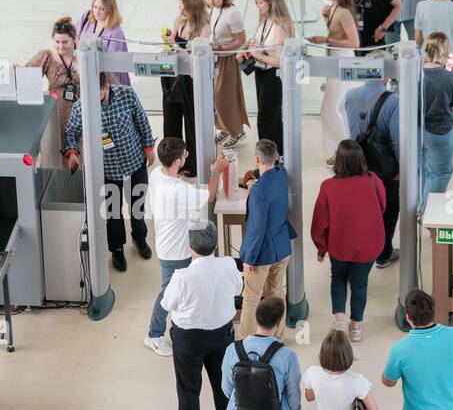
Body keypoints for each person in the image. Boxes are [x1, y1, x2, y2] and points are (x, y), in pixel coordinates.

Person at [162, 221, 243, 410]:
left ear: (190, 246)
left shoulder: (182, 276)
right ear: (216, 243)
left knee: (188, 390)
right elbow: (238, 289)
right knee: (224, 383)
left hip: (189, 339)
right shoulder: (228, 265)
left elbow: (167, 304)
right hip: (222, 334)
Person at [62, 70, 155, 272]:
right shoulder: (81, 107)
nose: (92, 101)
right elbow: (71, 131)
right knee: (113, 213)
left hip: (134, 162)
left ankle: (139, 238)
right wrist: (71, 153)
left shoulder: (127, 94)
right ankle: (117, 249)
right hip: (106, 169)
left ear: (106, 87)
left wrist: (149, 149)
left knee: (137, 207)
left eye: (97, 95)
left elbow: (142, 121)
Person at [146, 139, 229, 357]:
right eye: (185, 154)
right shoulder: (178, 191)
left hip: (167, 243)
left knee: (175, 290)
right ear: (176, 162)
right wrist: (216, 172)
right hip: (175, 252)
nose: (187, 156)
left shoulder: (157, 174)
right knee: (167, 294)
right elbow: (210, 195)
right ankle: (154, 335)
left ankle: (174, 329)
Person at [310, 141, 386, 343]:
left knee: (338, 278)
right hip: (369, 244)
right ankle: (356, 326)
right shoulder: (373, 180)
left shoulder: (328, 186)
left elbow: (320, 221)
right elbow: (383, 206)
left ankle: (339, 323)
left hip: (340, 244)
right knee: (360, 284)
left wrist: (321, 246)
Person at [237, 139, 297, 340]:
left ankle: (244, 339)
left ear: (256, 159)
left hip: (262, 253)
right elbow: (268, 173)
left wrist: (249, 258)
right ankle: (278, 336)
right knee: (276, 292)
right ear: (277, 157)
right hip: (282, 246)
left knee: (251, 297)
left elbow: (256, 229)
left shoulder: (258, 192)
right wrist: (255, 177)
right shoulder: (281, 174)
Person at [344, 69, 402, 270]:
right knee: (389, 208)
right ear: (385, 76)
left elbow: (351, 131)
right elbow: (397, 141)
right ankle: (383, 254)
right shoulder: (393, 101)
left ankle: (356, 254)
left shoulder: (350, 96)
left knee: (359, 211)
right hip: (384, 168)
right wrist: (401, 167)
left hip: (356, 165)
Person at [309, 0, 359, 162]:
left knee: (329, 109)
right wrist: (325, 19)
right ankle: (342, 151)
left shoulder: (344, 11)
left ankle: (343, 152)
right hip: (335, 62)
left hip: (342, 62)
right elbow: (338, 34)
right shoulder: (335, 7)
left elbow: (354, 42)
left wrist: (325, 39)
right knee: (339, 109)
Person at [238, 0, 293, 155]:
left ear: (271, 2)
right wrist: (247, 48)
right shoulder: (265, 19)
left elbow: (280, 61)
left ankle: (271, 156)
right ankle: (270, 155)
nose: (258, 6)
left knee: (267, 119)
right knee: (267, 117)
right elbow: (256, 39)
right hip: (262, 73)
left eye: (261, 3)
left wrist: (258, 56)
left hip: (273, 75)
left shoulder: (281, 25)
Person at [164, 0, 212, 177]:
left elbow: (198, 57)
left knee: (193, 123)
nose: (181, 12)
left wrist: (179, 49)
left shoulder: (204, 28)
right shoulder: (178, 21)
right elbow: (174, 43)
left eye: (184, 9)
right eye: (180, 8)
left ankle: (192, 162)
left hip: (191, 81)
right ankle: (172, 161)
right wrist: (169, 40)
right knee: (171, 120)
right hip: (174, 77)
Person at [420, 32, 453, 201]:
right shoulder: (450, 77)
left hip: (417, 132)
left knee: (422, 170)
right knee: (440, 173)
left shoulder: (414, 74)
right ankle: (426, 212)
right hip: (440, 133)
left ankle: (417, 205)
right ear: (445, 52)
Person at [205, 0, 249, 147]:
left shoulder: (232, 14)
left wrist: (222, 49)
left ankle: (237, 131)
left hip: (226, 59)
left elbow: (240, 40)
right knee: (214, 97)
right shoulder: (211, 10)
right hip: (213, 57)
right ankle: (223, 127)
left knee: (226, 97)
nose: (210, 0)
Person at [26, 16, 82, 143]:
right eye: (57, 42)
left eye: (65, 42)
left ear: (74, 39)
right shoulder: (47, 55)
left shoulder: (83, 56)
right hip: (56, 114)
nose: (60, 46)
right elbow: (27, 76)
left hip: (81, 114)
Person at [75, 0, 130, 85]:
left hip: (108, 78)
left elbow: (112, 63)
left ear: (110, 10)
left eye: (102, 9)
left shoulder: (116, 32)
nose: (96, 11)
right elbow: (74, 36)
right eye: (95, 7)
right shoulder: (87, 17)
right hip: (87, 70)